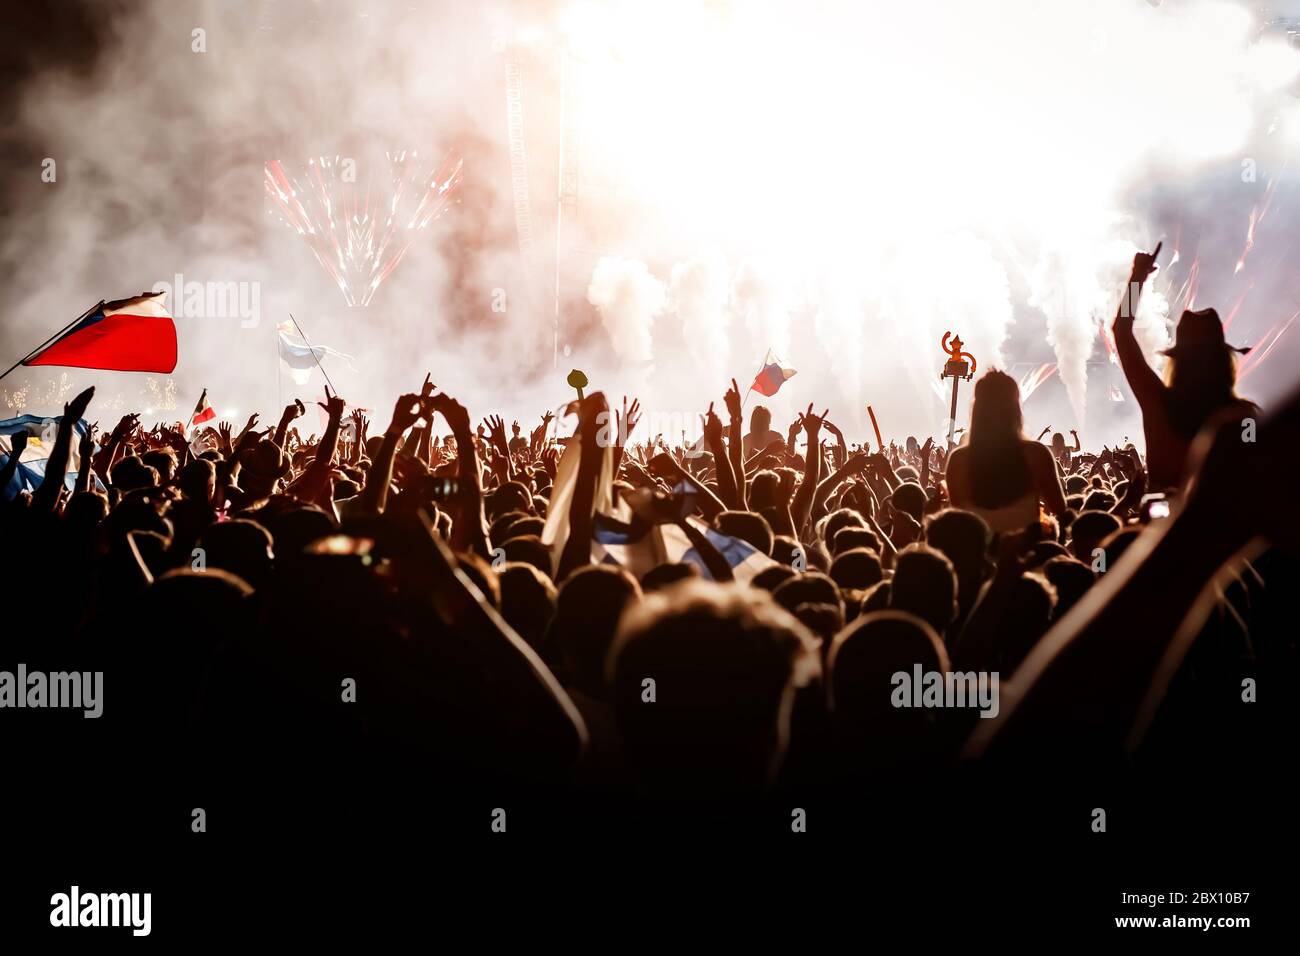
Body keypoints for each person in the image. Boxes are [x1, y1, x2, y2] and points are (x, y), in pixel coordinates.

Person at [1113, 247, 1259, 490]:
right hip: (1227, 525)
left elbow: (1121, 331)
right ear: (1223, 361)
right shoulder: (1245, 417)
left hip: (1167, 527)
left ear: (1179, 360)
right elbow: (1255, 469)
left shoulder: (1156, 403)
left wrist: (1137, 277)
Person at [944, 370, 1066, 532]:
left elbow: (958, 520)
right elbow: (1060, 510)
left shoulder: (958, 460)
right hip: (1026, 554)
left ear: (977, 409)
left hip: (975, 555)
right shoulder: (1036, 454)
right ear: (1015, 408)